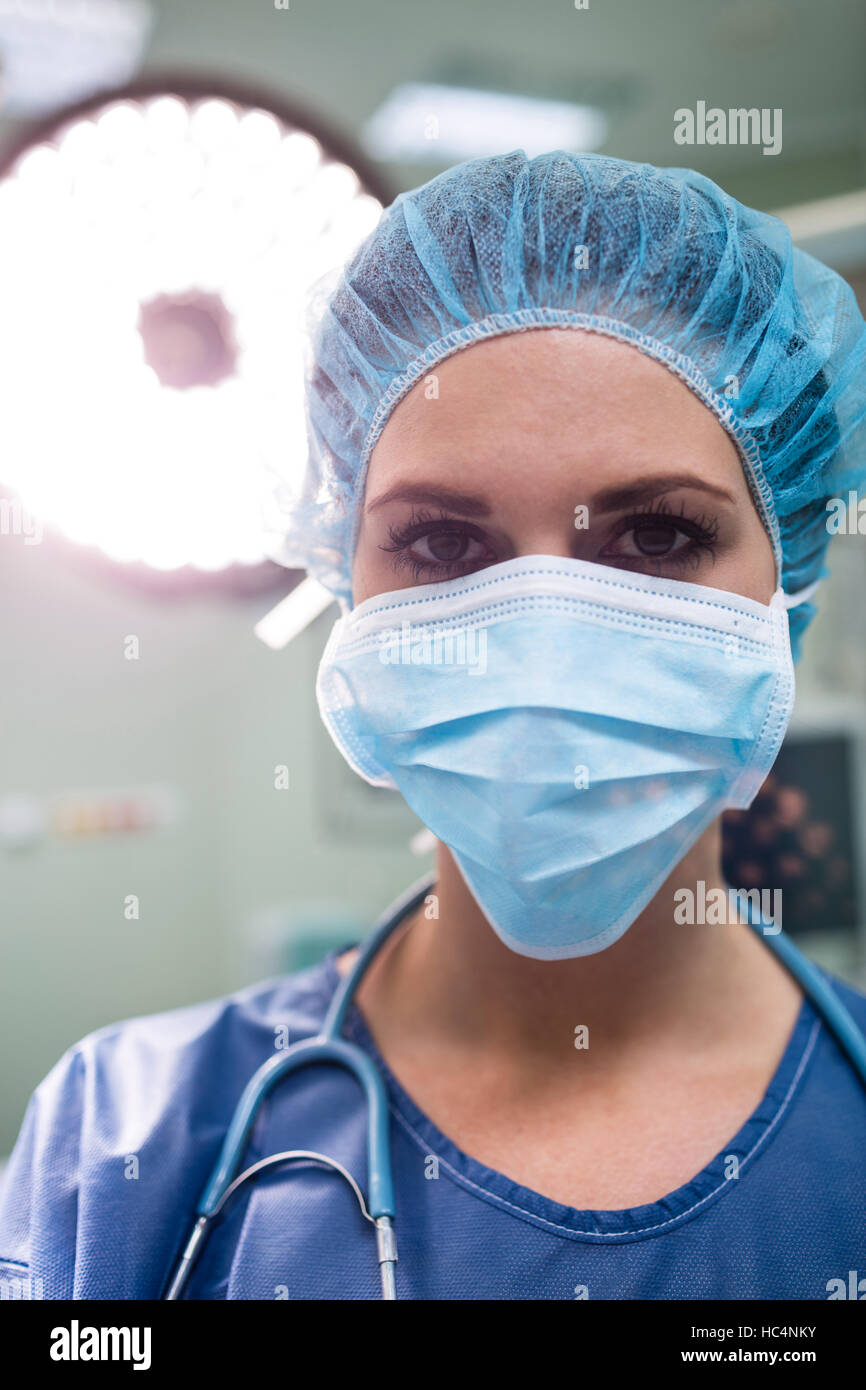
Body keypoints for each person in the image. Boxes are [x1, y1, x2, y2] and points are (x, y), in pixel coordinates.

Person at [2, 149, 866, 1300]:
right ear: (343, 586)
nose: (545, 637)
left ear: (786, 588)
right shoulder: (123, 1137)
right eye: (443, 543)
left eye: (656, 535)